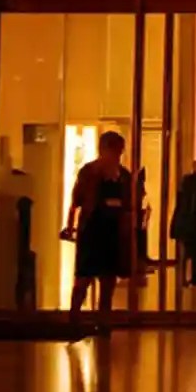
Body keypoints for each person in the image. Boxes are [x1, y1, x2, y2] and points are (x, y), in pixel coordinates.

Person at [64, 131, 133, 326]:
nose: (116, 156)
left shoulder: (122, 176)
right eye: (114, 151)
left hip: (110, 230)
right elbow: (77, 200)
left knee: (107, 279)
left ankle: (102, 321)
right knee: (85, 277)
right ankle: (76, 318)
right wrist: (71, 226)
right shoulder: (90, 172)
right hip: (93, 229)